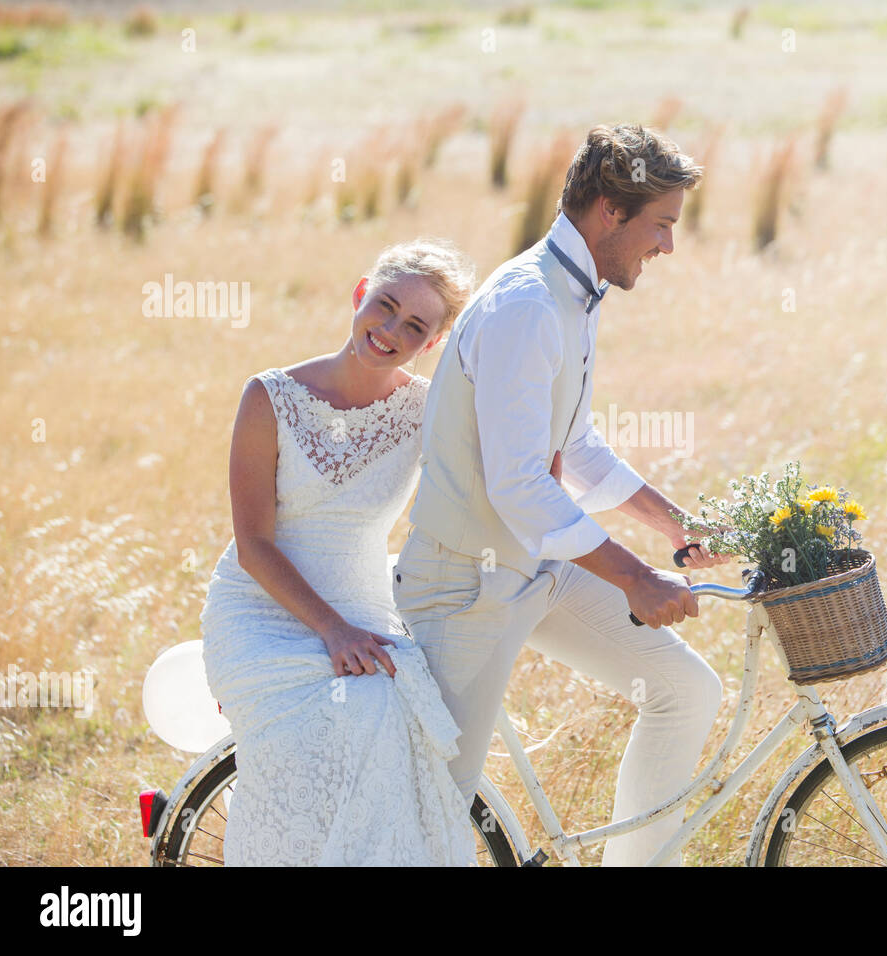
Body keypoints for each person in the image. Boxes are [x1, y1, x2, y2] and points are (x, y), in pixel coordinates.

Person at [394, 124, 731, 867]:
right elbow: (518, 486)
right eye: (662, 225)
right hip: (464, 588)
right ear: (610, 210)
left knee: (685, 692)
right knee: (427, 824)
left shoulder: (578, 293)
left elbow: (570, 447)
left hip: (534, 569)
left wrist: (677, 524)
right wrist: (637, 578)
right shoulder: (527, 306)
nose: (669, 246)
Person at [200, 238, 479, 866]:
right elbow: (254, 545)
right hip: (262, 612)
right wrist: (331, 629)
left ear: (432, 343)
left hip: (363, 609)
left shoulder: (427, 409)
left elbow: (496, 470)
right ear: (360, 294)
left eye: (415, 326)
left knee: (387, 717)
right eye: (384, 306)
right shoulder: (269, 397)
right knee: (310, 735)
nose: (390, 330)